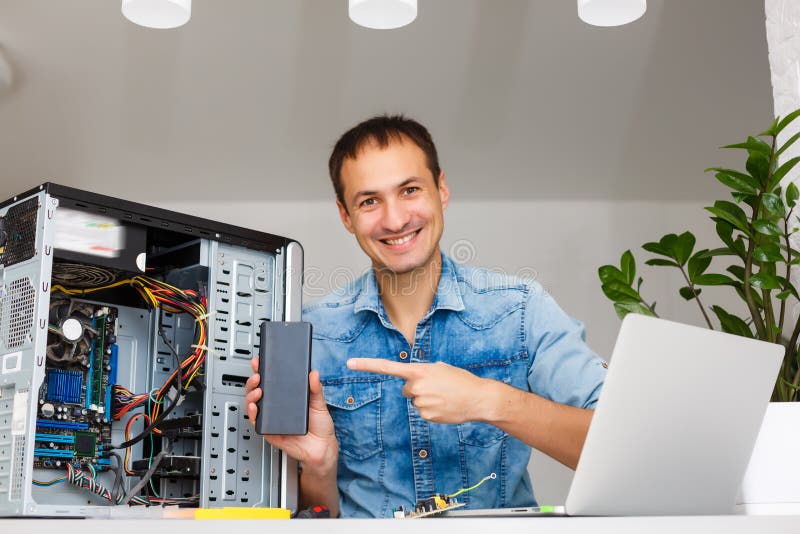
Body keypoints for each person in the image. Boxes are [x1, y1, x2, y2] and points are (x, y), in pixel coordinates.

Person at [245, 115, 607, 518]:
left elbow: (617, 446)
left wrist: (489, 399)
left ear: (442, 189)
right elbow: (316, 519)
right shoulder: (311, 335)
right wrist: (319, 465)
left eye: (410, 190)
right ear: (345, 216)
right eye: (369, 201)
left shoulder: (522, 310)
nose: (395, 220)